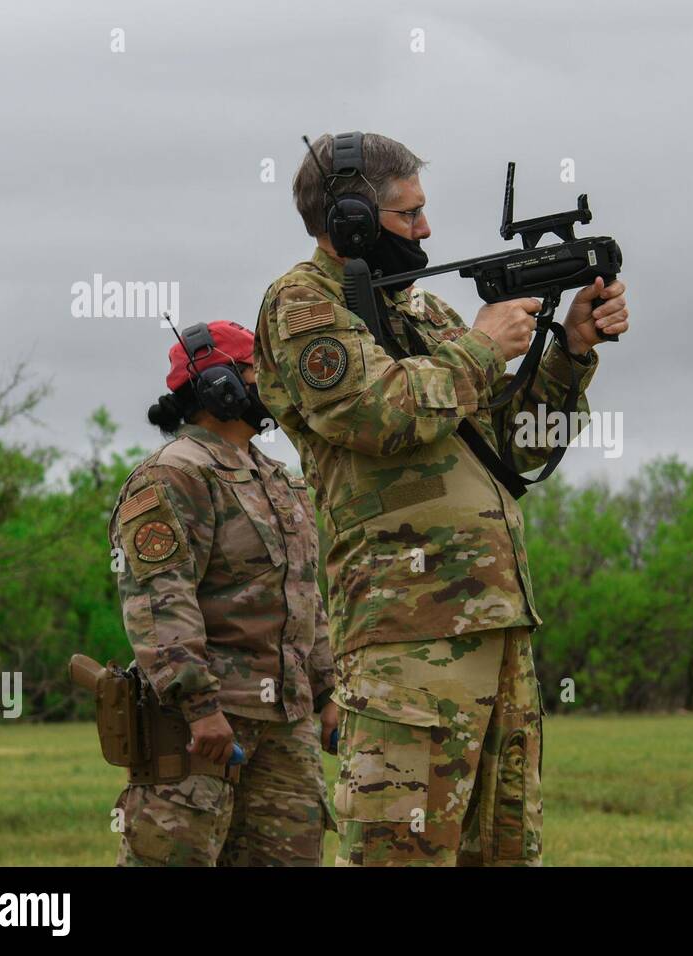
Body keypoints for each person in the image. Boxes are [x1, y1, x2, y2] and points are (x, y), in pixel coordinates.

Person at [253, 131, 630, 866]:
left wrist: (572, 351)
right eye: (408, 214)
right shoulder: (301, 307)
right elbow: (378, 414)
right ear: (351, 221)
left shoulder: (425, 315)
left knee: (504, 850)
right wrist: (484, 348)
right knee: (402, 853)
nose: (426, 230)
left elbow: (517, 446)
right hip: (407, 639)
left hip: (496, 627)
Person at [108, 320, 338, 866]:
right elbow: (160, 598)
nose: (275, 386)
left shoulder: (278, 477)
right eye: (260, 372)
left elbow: (306, 597)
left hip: (286, 722)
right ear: (221, 387)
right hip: (203, 729)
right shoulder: (173, 476)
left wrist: (327, 693)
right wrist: (199, 705)